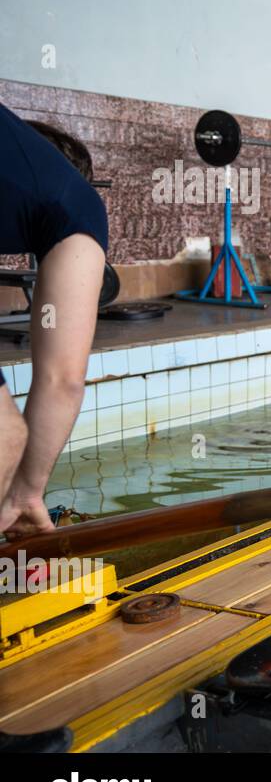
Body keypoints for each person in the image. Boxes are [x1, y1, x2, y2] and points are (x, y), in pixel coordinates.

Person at [0, 104, 108, 541]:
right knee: (6, 435)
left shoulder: (19, 173)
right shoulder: (74, 201)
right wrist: (26, 492)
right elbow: (62, 377)